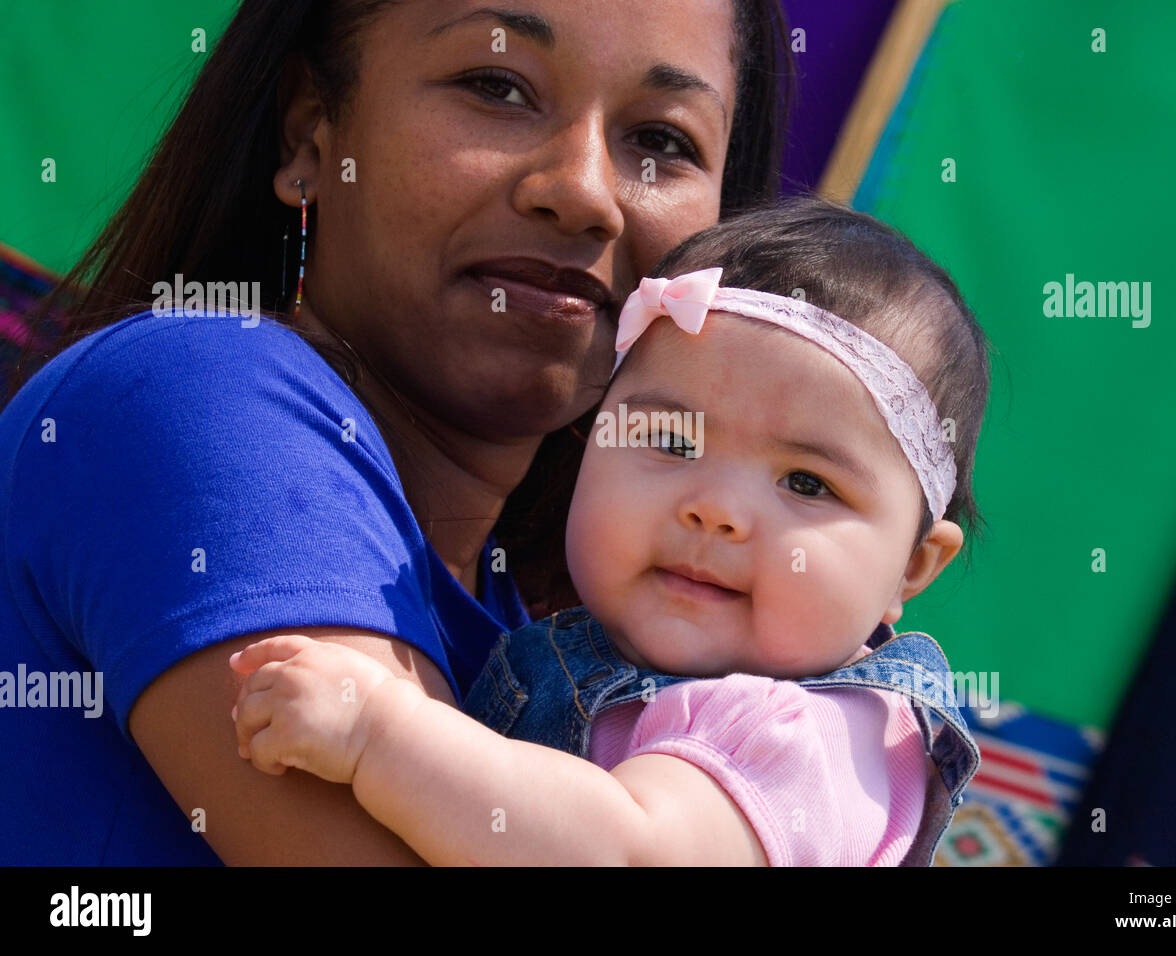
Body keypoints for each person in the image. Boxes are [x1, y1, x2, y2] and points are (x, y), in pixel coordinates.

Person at [0, 0, 794, 865]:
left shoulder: (542, 653)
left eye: (664, 140)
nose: (583, 193)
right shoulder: (196, 391)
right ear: (311, 133)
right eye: (497, 86)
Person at [228, 194, 992, 865]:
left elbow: (628, 851)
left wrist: (380, 735)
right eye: (670, 440)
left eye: (806, 483)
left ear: (912, 568)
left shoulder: (824, 741)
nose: (714, 508)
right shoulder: (557, 648)